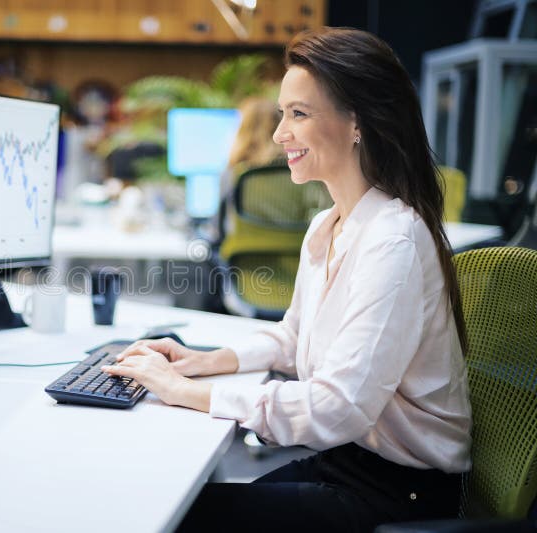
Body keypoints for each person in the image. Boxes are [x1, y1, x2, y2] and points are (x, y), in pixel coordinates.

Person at [102, 27, 472, 533]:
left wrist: (185, 392)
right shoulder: (329, 226)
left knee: (177, 519)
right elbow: (294, 335)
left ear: (357, 123)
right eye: (282, 114)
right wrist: (205, 362)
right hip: (346, 464)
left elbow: (338, 408)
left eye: (298, 114)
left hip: (398, 494)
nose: (279, 134)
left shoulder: (394, 242)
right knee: (178, 507)